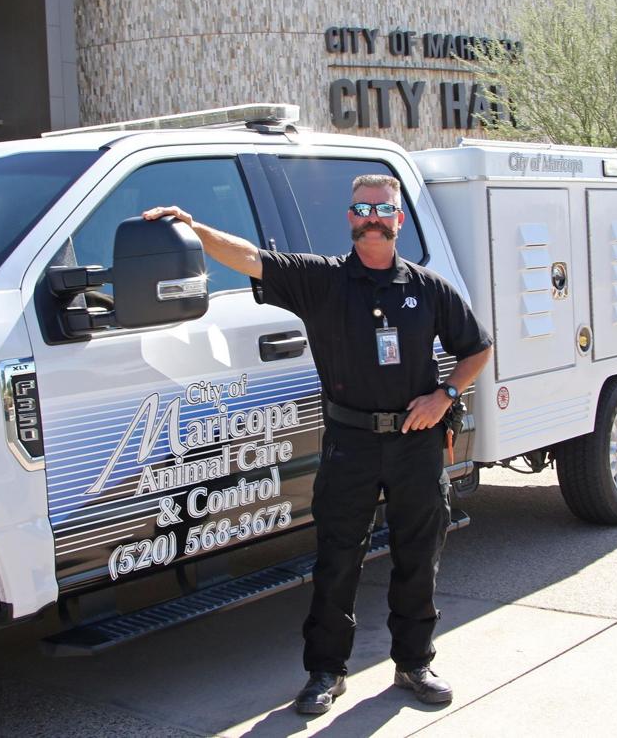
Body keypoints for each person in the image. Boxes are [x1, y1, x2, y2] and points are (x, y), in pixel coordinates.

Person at [143, 173, 492, 715]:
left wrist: (445, 396)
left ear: (399, 220)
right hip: (350, 441)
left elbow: (477, 349)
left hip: (416, 443)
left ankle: (414, 661)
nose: (372, 217)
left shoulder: (428, 288)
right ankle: (326, 671)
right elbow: (251, 258)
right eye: (361, 208)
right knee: (337, 559)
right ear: (349, 217)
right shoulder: (322, 281)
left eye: (382, 209)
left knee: (418, 554)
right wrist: (192, 227)